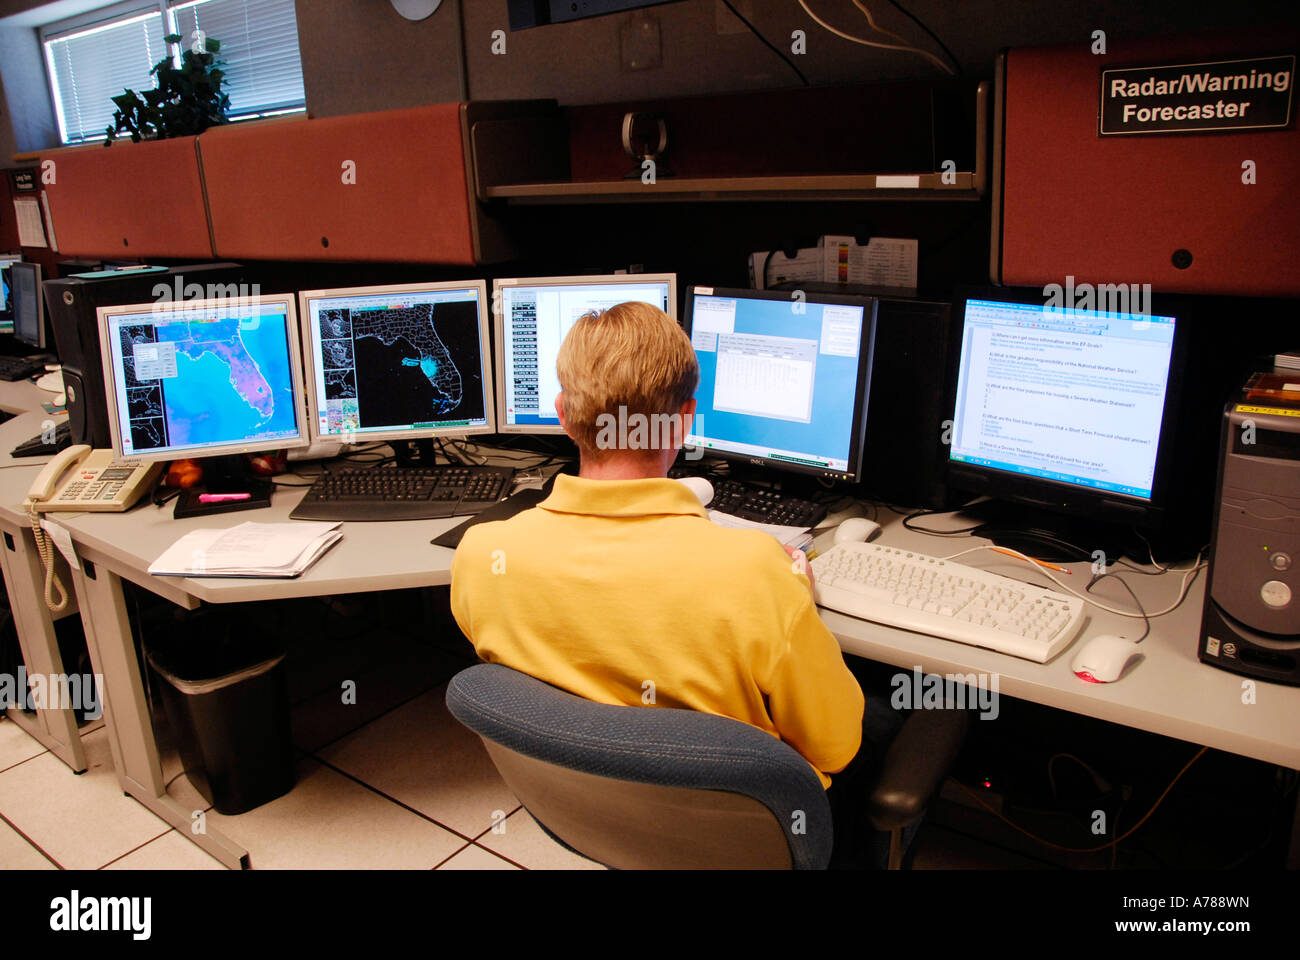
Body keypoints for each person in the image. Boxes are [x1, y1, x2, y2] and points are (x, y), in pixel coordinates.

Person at [450, 301, 904, 867]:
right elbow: (836, 748)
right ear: (685, 419)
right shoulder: (755, 571)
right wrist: (795, 600)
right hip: (748, 838)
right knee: (885, 719)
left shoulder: (482, 555)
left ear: (564, 415)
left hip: (592, 818)